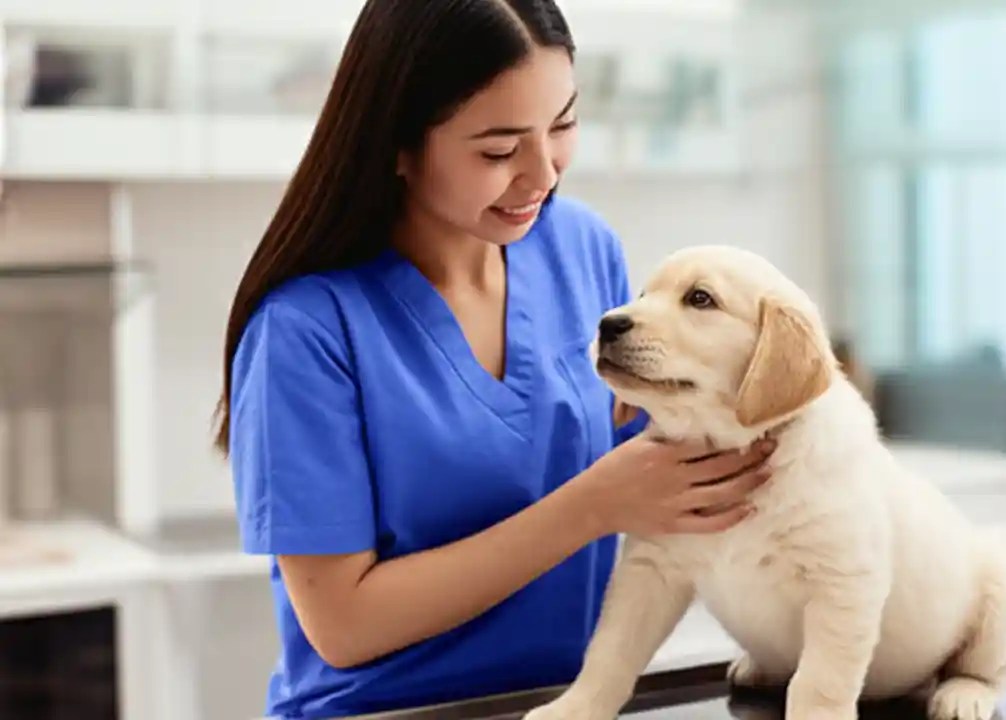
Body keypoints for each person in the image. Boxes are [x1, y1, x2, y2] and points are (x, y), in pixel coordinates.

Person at [211, 1, 774, 717]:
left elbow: (670, 471)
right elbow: (344, 627)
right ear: (399, 145)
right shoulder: (306, 329)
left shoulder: (581, 248)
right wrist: (592, 506)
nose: (542, 172)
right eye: (499, 150)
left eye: (563, 125)